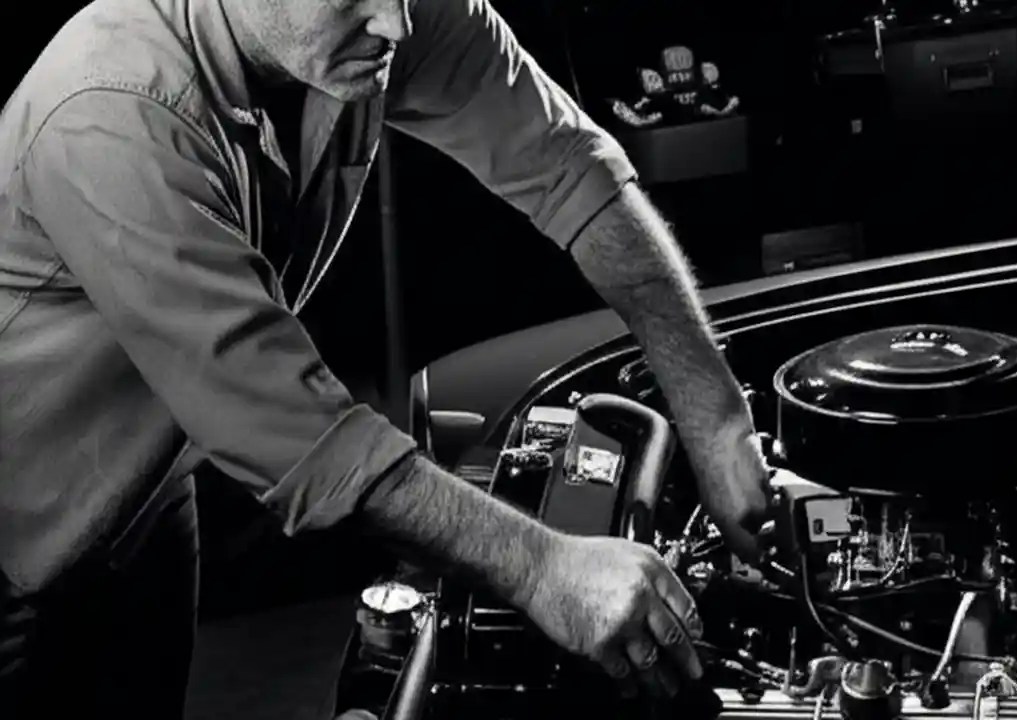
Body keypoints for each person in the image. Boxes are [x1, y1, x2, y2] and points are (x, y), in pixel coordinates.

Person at [0, 0, 773, 715]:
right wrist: (546, 570)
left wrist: (714, 416)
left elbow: (572, 169)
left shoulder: (371, 16)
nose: (398, 25)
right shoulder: (104, 113)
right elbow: (301, 438)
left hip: (145, 492)